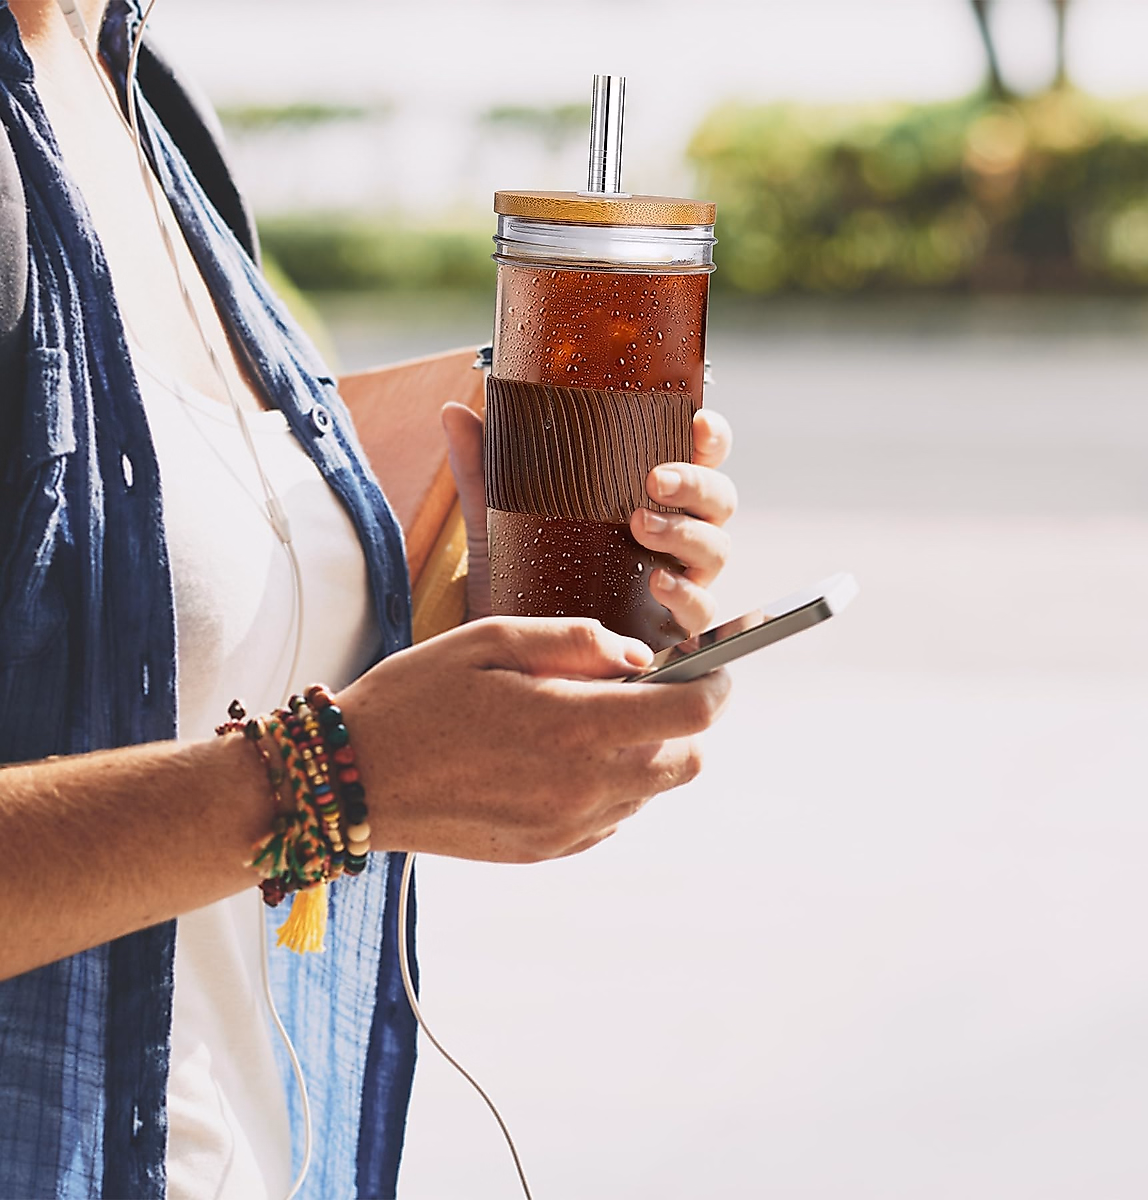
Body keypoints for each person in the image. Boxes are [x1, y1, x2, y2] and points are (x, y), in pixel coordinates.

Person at [0, 1, 737, 1196]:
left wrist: (486, 614)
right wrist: (329, 779)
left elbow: (179, 644)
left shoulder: (141, 98)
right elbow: (303, 764)